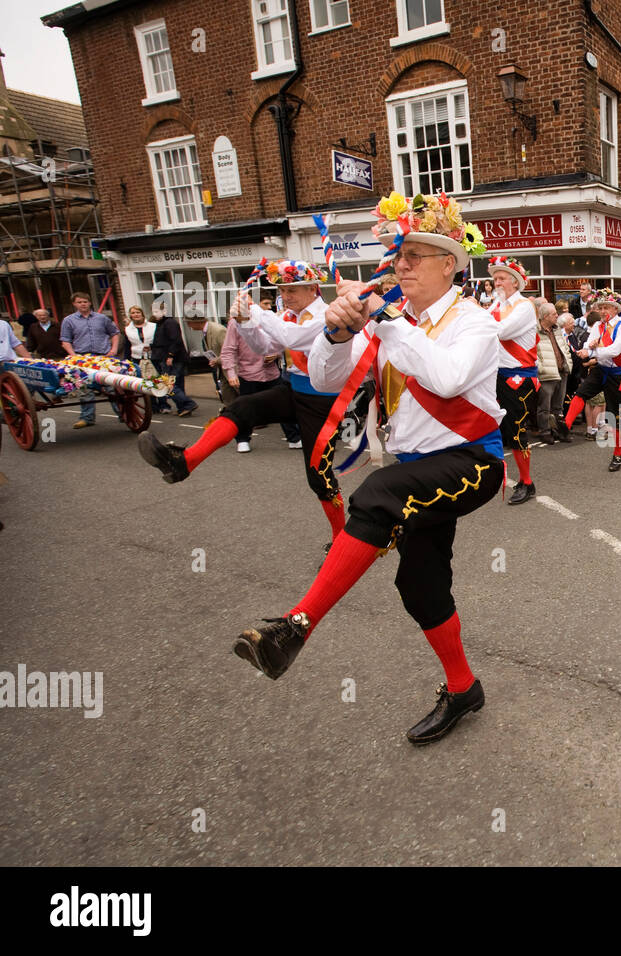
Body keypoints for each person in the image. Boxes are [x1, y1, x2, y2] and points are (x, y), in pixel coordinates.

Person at [232, 188, 504, 745]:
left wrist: (383, 319)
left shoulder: (474, 322)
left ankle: (296, 625)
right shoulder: (391, 320)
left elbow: (449, 378)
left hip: (473, 463)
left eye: (413, 256)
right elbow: (330, 378)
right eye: (397, 255)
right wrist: (336, 332)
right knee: (418, 585)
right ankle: (463, 687)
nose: (399, 264)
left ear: (448, 264)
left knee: (377, 492)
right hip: (419, 472)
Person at [137, 259, 347, 547]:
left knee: (318, 475)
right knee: (242, 407)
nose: (284, 297)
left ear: (313, 289)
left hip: (324, 401)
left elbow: (293, 339)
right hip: (293, 388)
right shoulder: (286, 315)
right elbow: (264, 347)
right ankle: (184, 461)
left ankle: (341, 539)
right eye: (281, 291)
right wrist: (246, 323)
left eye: (291, 291)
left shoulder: (327, 314)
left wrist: (257, 313)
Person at [485, 255, 540, 505]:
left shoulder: (524, 307)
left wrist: (482, 316)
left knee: (517, 431)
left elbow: (501, 330)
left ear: (515, 283)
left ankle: (527, 482)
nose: (496, 283)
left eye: (501, 278)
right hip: (497, 375)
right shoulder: (497, 307)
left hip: (519, 378)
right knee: (499, 428)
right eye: (494, 278)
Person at [563, 288, 621, 471]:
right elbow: (588, 344)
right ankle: (566, 425)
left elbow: (614, 350)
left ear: (616, 309)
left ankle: (618, 454)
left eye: (606, 307)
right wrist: (586, 349)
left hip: (620, 373)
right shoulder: (597, 326)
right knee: (581, 393)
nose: (603, 311)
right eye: (600, 308)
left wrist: (591, 351)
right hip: (602, 369)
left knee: (616, 415)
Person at [221, 302, 296, 452]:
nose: (269, 307)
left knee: (284, 405)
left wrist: (276, 354)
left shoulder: (274, 320)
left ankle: (294, 438)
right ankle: (242, 440)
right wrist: (231, 373)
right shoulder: (236, 323)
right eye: (265, 304)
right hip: (248, 373)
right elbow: (228, 349)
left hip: (271, 372)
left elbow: (284, 343)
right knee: (245, 408)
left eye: (269, 304)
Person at [60, 292, 120, 428]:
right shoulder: (68, 320)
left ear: (90, 303)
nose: (83, 304)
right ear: (74, 304)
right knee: (85, 389)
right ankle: (87, 418)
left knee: (112, 387)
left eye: (85, 302)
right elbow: (65, 340)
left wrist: (114, 349)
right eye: (79, 302)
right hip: (82, 358)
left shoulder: (102, 318)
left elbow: (115, 333)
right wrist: (73, 355)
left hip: (103, 357)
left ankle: (122, 414)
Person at [149, 303, 198, 417]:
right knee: (177, 383)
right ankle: (183, 408)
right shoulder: (162, 323)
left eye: (156, 311)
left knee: (169, 384)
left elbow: (176, 340)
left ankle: (188, 403)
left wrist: (170, 355)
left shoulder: (169, 323)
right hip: (168, 357)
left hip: (172, 359)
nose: (154, 314)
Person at [535, 299, 572, 443]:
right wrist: (542, 368)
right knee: (544, 406)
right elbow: (533, 353)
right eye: (554, 314)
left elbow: (565, 347)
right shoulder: (535, 331)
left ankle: (558, 431)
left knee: (558, 406)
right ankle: (545, 432)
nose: (557, 316)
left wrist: (568, 363)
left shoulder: (556, 329)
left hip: (561, 371)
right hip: (547, 373)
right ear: (545, 317)